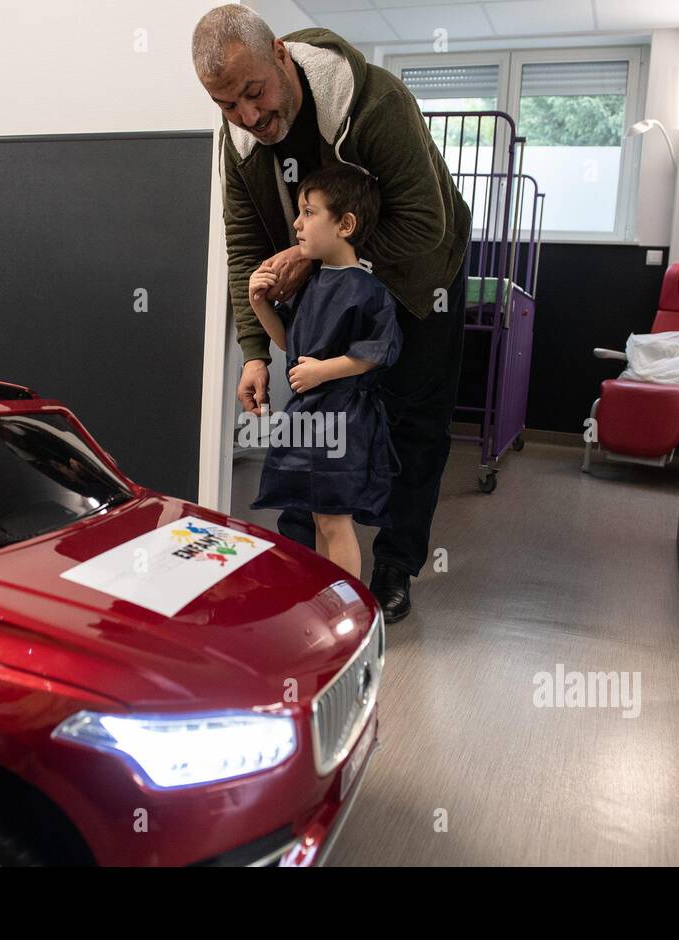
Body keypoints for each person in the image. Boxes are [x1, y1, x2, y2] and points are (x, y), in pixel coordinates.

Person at [193, 5, 471, 622]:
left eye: (254, 92)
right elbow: (244, 250)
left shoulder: (375, 104)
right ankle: (302, 564)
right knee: (314, 421)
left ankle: (396, 567)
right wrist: (256, 353)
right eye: (226, 104)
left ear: (282, 57)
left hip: (422, 279)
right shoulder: (238, 144)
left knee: (410, 428)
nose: (248, 116)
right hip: (325, 282)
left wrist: (307, 255)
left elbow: (426, 224)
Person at [248, 164, 400, 578]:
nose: (297, 223)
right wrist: (260, 303)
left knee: (334, 518)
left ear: (345, 224)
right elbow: (287, 342)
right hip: (310, 416)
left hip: (345, 418)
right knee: (318, 515)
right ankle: (327, 595)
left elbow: (378, 352)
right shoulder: (312, 284)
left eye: (309, 212)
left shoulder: (366, 289)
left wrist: (323, 372)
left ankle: (349, 605)